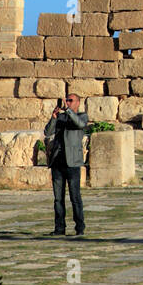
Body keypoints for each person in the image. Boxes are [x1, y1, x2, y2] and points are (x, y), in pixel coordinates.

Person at [44, 92, 88, 236]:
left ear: (77, 103)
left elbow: (79, 124)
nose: (67, 102)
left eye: (70, 100)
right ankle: (59, 228)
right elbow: (48, 132)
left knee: (75, 197)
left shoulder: (82, 116)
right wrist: (53, 118)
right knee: (58, 199)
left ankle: (79, 227)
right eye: (66, 100)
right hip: (58, 162)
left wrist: (68, 111)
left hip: (73, 162)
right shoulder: (61, 117)